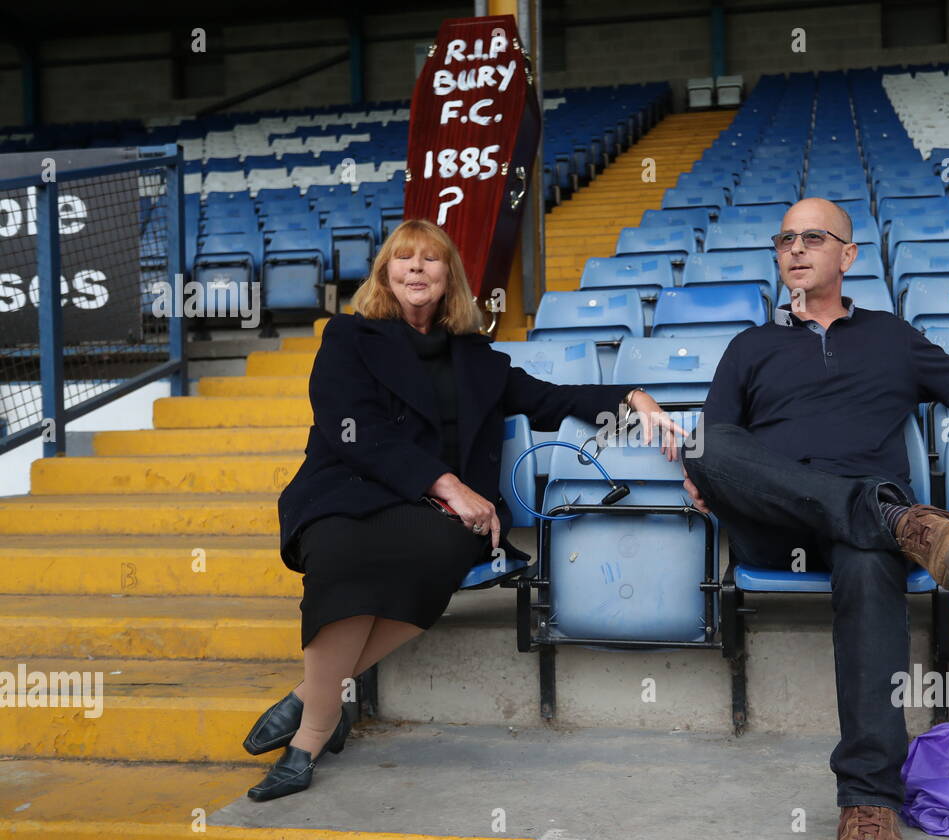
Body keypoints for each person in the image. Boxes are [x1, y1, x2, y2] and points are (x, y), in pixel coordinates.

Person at [251, 219, 683, 801]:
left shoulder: (478, 359)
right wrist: (447, 483)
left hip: (439, 516)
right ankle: (313, 733)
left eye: (431, 260)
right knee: (343, 554)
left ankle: (313, 693)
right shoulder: (349, 339)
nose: (417, 270)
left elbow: (554, 400)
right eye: (404, 259)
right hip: (349, 489)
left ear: (449, 276)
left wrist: (631, 397)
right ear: (385, 272)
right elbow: (356, 433)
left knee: (438, 550)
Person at [681, 198, 949, 840]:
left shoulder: (892, 336)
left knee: (866, 557)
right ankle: (889, 516)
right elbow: (713, 447)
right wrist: (711, 475)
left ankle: (868, 806)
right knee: (701, 447)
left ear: (848, 256)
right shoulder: (749, 346)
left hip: (866, 542)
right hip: (780, 523)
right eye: (784, 238)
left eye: (812, 237)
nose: (794, 249)